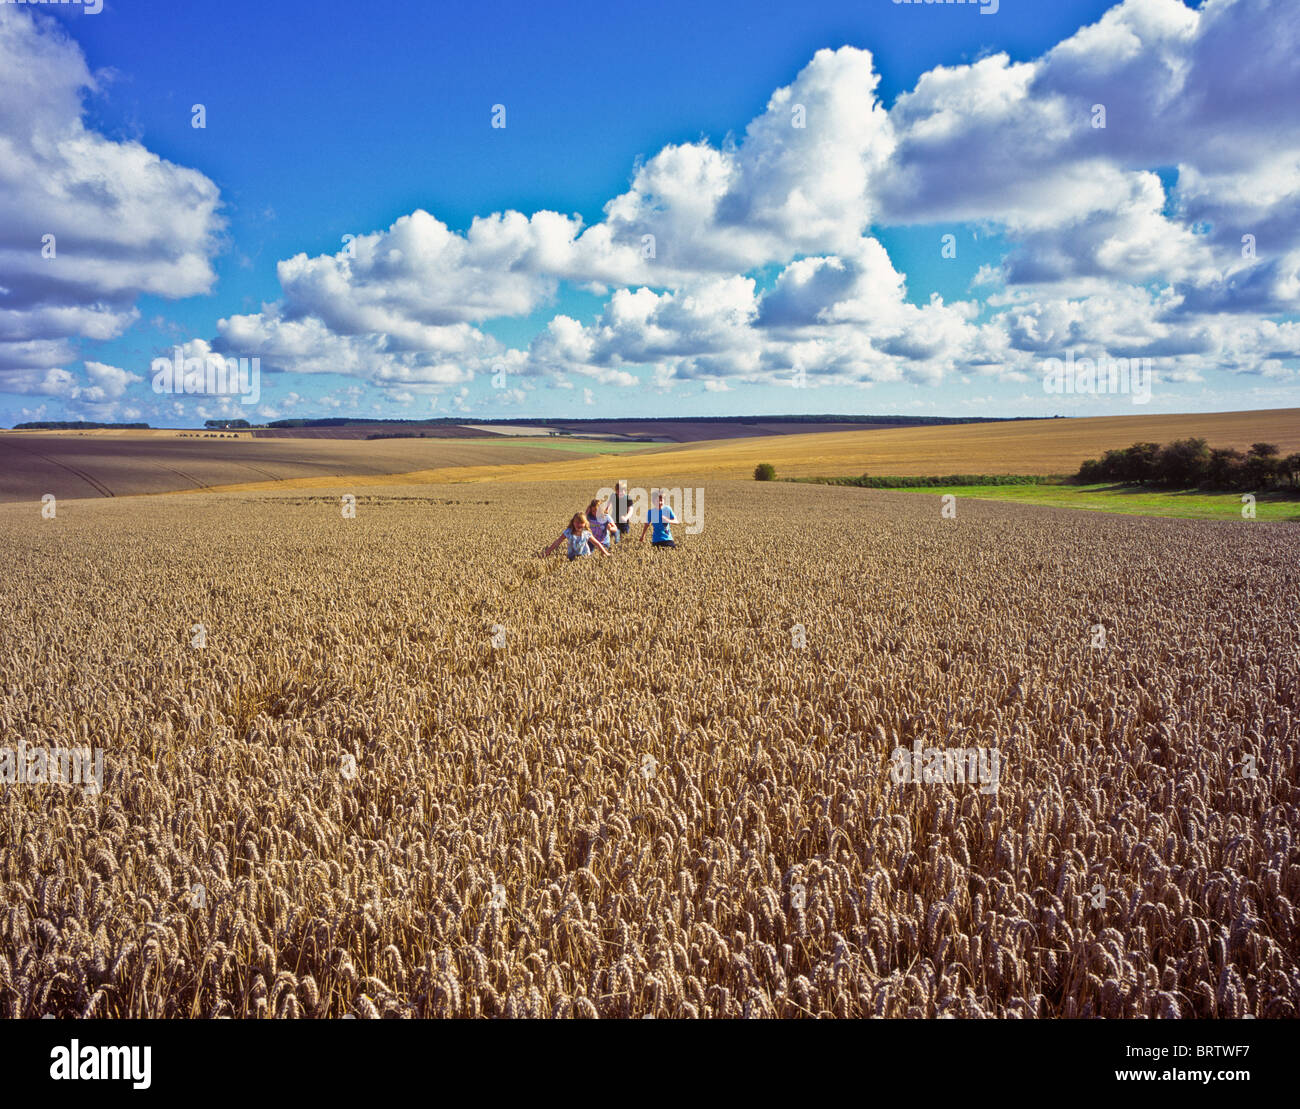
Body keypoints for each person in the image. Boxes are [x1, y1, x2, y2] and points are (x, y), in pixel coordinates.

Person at [541, 512, 610, 560]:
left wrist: (605, 553)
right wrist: (548, 551)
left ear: (585, 524)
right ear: (573, 522)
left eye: (581, 523)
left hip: (585, 556)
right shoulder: (568, 532)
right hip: (571, 556)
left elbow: (597, 543)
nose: (578, 524)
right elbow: (558, 542)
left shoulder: (586, 533)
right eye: (576, 522)